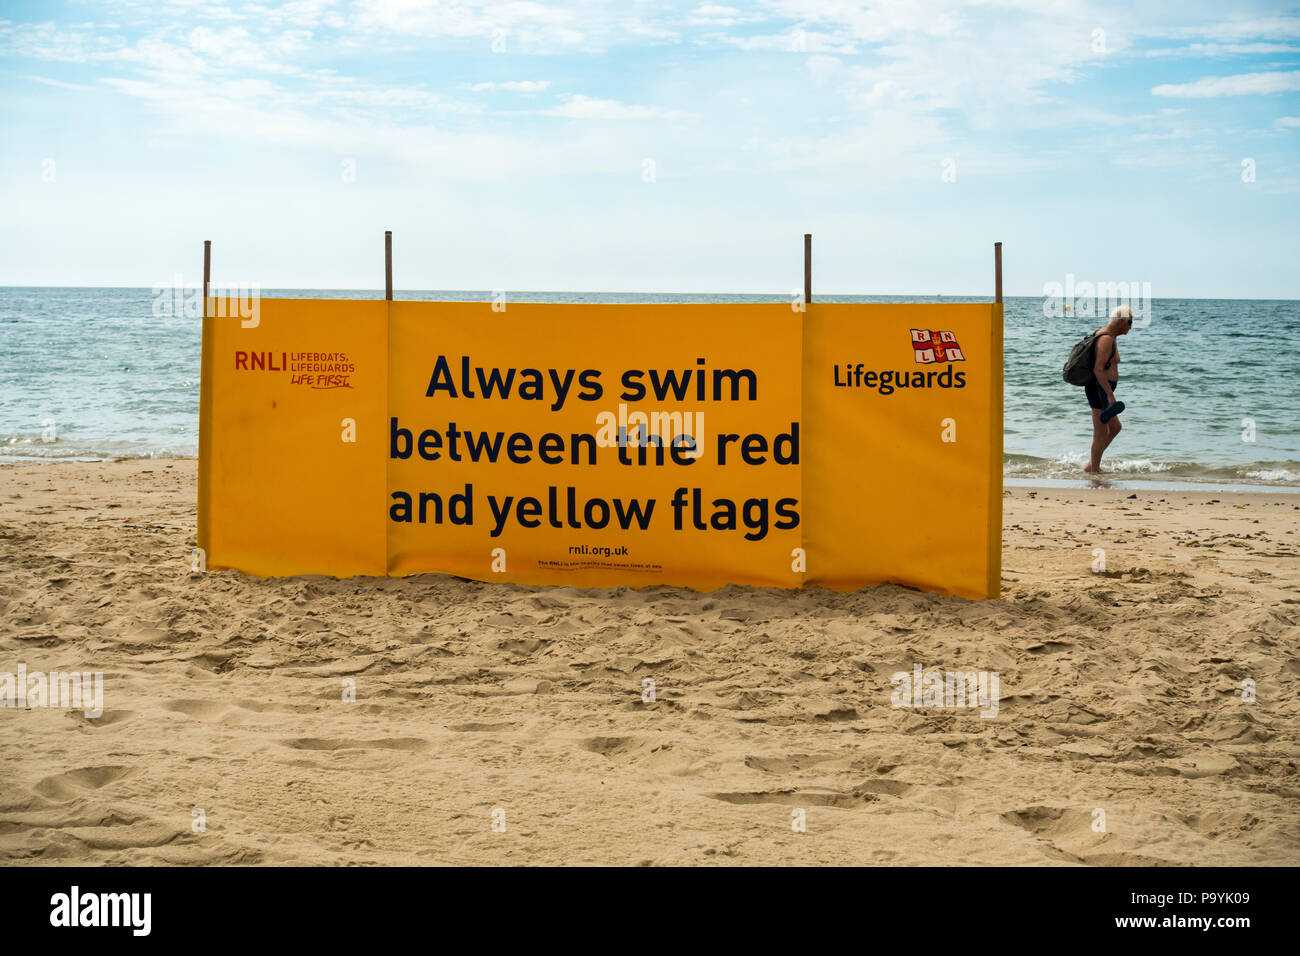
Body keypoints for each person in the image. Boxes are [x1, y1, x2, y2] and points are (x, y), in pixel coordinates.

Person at [1083, 305, 1135, 473]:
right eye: (1130, 322)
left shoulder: (1110, 336)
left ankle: (1092, 465)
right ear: (1121, 321)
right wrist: (1110, 395)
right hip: (1099, 390)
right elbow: (1098, 369)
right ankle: (1094, 470)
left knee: (1115, 427)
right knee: (1100, 432)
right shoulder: (1106, 339)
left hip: (1103, 389)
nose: (1130, 327)